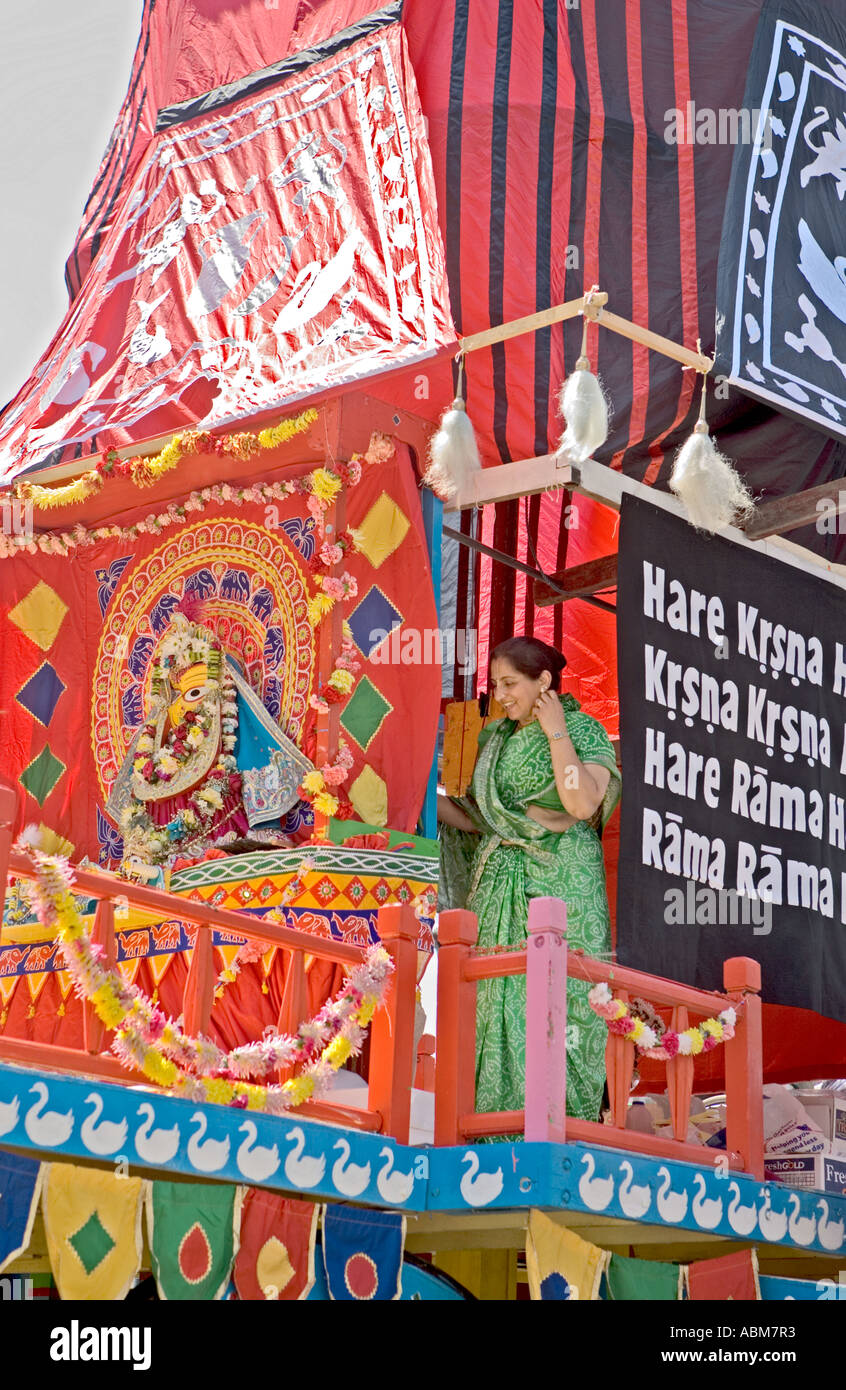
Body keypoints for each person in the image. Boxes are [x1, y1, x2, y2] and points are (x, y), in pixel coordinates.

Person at [438, 636, 620, 1124]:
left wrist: (555, 727)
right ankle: (492, 1128)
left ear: (545, 681)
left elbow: (581, 804)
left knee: (556, 1006)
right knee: (493, 1002)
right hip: (499, 887)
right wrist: (420, 794)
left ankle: (558, 1122)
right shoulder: (495, 739)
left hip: (562, 885)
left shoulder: (584, 728)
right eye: (496, 684)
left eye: (511, 683)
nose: (500, 695)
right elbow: (483, 821)